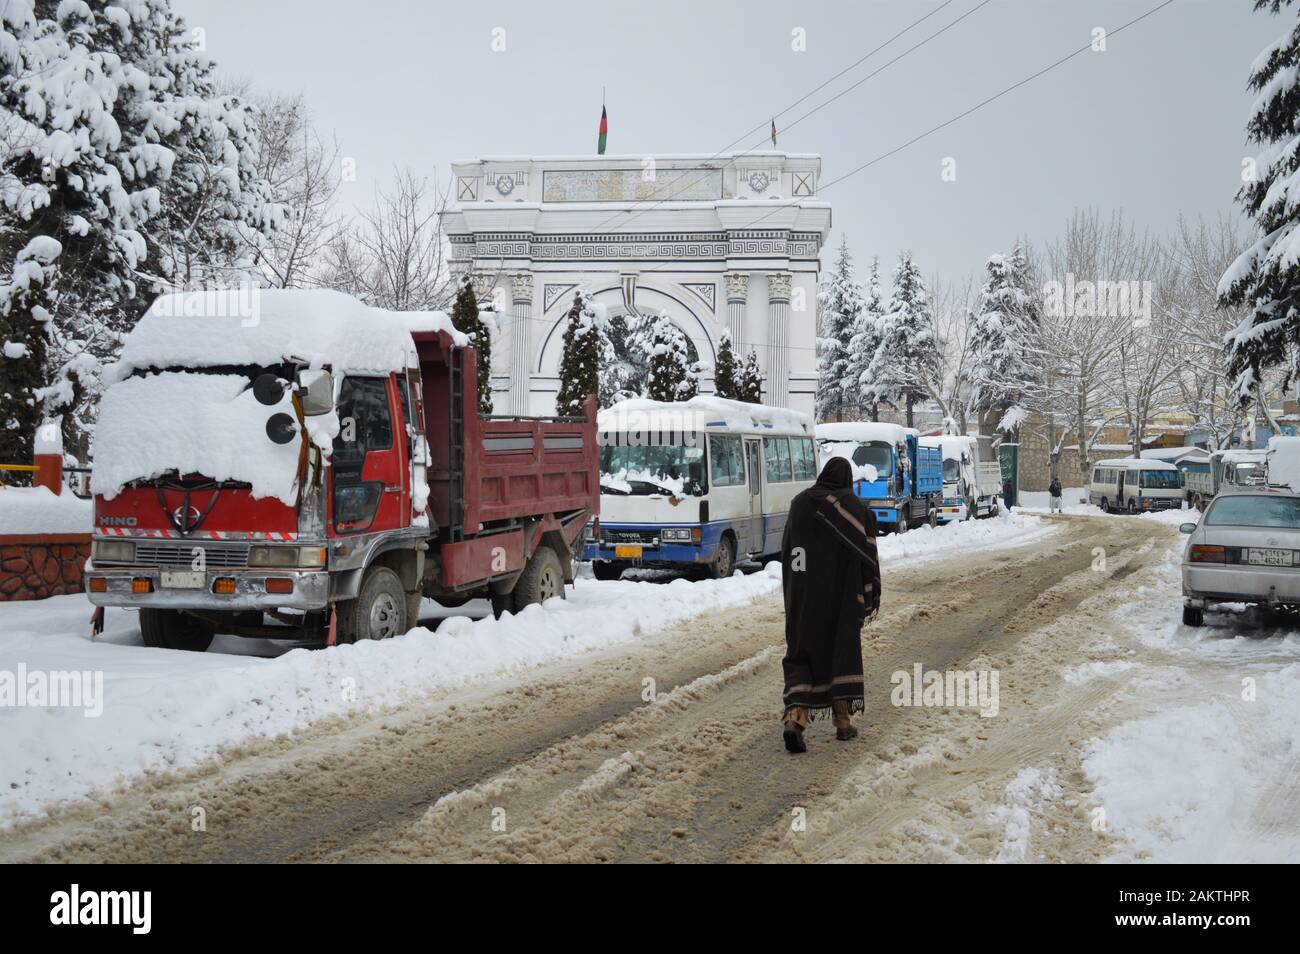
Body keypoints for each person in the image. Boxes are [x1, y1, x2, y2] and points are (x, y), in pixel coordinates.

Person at [780, 456, 881, 754]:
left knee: (802, 654)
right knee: (841, 653)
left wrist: (797, 585)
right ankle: (842, 723)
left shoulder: (799, 503)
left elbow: (792, 551)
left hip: (805, 596)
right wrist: (867, 592)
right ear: (847, 479)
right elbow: (866, 557)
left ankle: (796, 720)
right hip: (841, 599)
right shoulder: (853, 507)